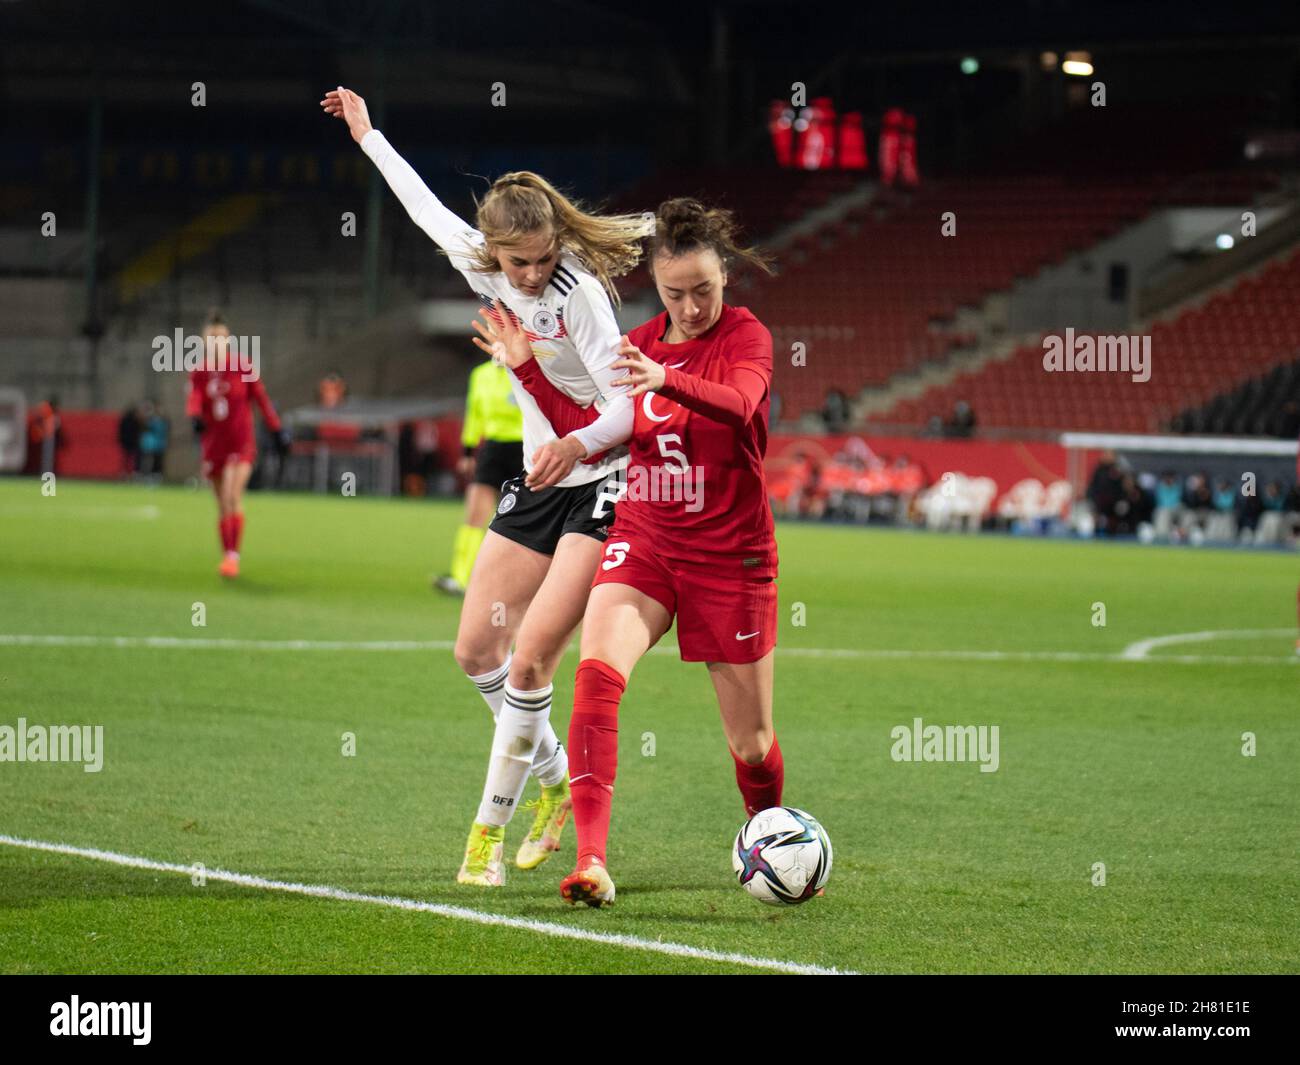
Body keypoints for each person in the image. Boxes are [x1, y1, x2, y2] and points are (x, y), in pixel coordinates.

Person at [323, 85, 652, 885]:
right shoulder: (481, 260)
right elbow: (421, 206)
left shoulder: (582, 300)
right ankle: (554, 784)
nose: (533, 274)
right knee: (476, 650)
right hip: (541, 479)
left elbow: (627, 411)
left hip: (603, 482)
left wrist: (573, 441)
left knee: (535, 661)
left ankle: (483, 845)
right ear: (495, 253)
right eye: (519, 263)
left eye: (542, 258)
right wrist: (369, 134)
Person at [482, 197, 784, 907]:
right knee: (595, 673)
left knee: (752, 743)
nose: (691, 306)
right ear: (657, 284)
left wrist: (665, 377)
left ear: (724, 278)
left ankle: (768, 833)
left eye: (704, 289)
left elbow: (741, 405)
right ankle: (591, 860)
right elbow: (591, 429)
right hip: (646, 538)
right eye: (675, 292)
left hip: (730, 555)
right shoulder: (639, 342)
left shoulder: (748, 337)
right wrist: (529, 372)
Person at [187, 314, 290, 579]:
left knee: (234, 496)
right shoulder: (199, 372)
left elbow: (262, 400)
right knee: (222, 503)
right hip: (213, 445)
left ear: (228, 340)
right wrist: (195, 417)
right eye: (212, 338)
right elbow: (195, 399)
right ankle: (227, 555)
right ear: (204, 342)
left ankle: (233, 556)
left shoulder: (243, 367)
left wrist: (276, 429)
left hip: (241, 442)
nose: (217, 342)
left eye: (221, 337)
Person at [434, 357, 524, 597]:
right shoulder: (480, 374)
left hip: (526, 450)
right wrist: (468, 450)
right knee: (474, 514)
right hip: (493, 450)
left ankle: (515, 582)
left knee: (521, 521)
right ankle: (461, 578)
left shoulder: (528, 368)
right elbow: (474, 413)